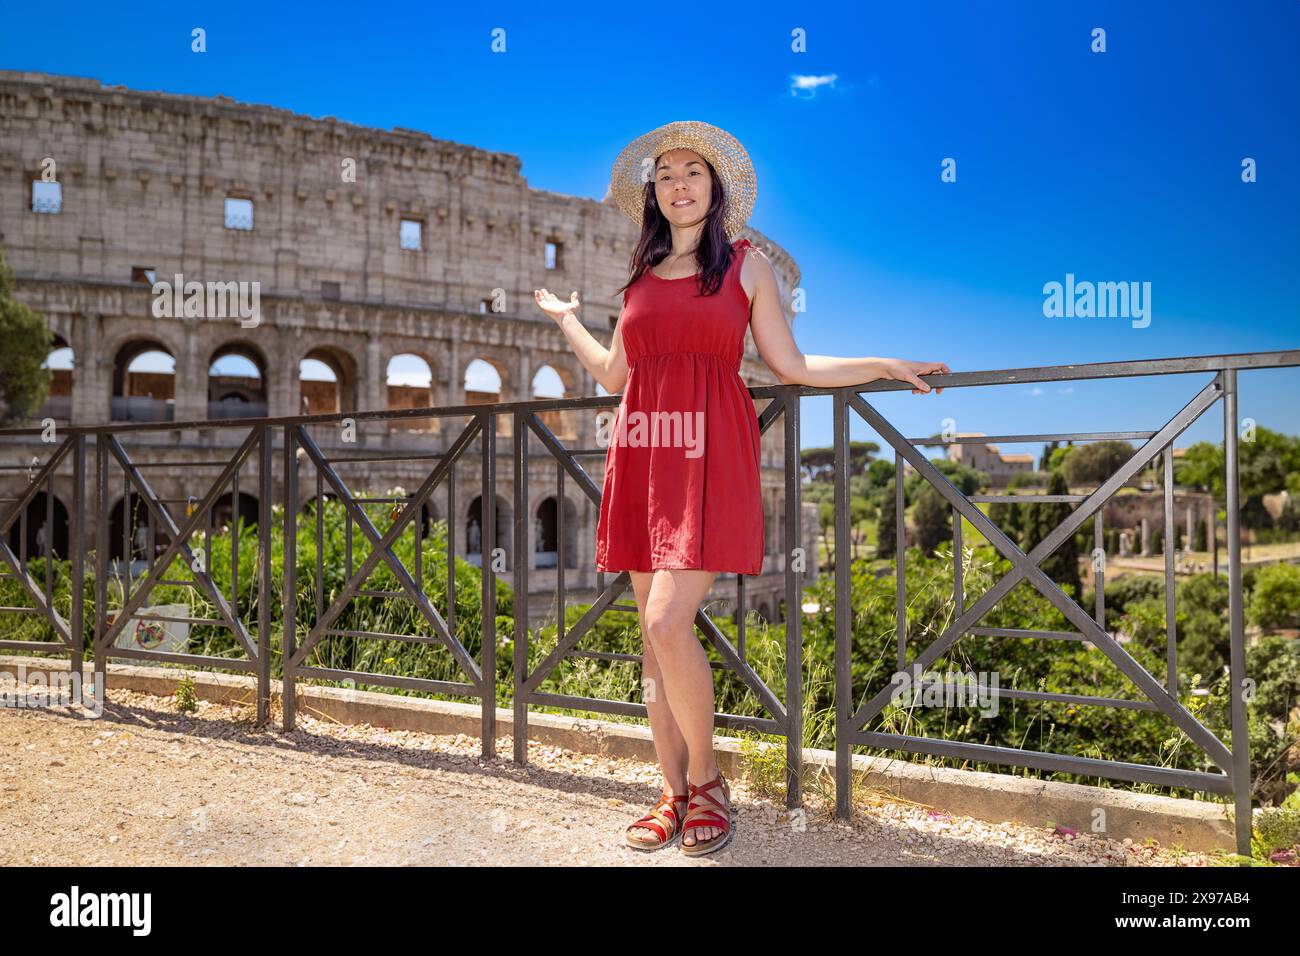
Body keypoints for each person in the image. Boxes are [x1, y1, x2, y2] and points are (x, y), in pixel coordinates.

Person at [534, 120, 950, 856]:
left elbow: (790, 364)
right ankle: (670, 792)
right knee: (650, 643)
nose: (679, 185)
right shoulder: (638, 279)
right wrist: (568, 320)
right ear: (653, 195)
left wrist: (879, 364)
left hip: (709, 455)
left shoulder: (747, 267)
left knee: (669, 623)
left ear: (715, 188)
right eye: (665, 176)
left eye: (693, 172)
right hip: (642, 453)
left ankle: (709, 784)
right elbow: (612, 376)